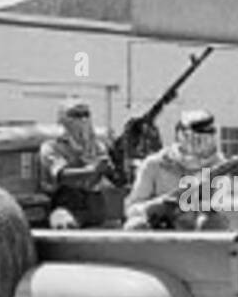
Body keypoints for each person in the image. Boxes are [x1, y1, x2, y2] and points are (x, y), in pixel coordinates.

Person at [124, 109, 226, 230]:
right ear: (181, 136)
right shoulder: (155, 164)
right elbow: (131, 210)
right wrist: (154, 207)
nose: (200, 144)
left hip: (198, 237)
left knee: (213, 223)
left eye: (206, 138)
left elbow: (227, 212)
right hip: (161, 233)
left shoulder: (219, 167)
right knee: (135, 225)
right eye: (195, 139)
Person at [39, 97, 114, 228]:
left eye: (86, 114)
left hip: (96, 204)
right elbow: (62, 176)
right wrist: (92, 170)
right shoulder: (52, 147)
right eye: (76, 115)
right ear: (63, 119)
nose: (83, 120)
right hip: (68, 204)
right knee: (65, 224)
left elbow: (111, 177)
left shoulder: (98, 146)